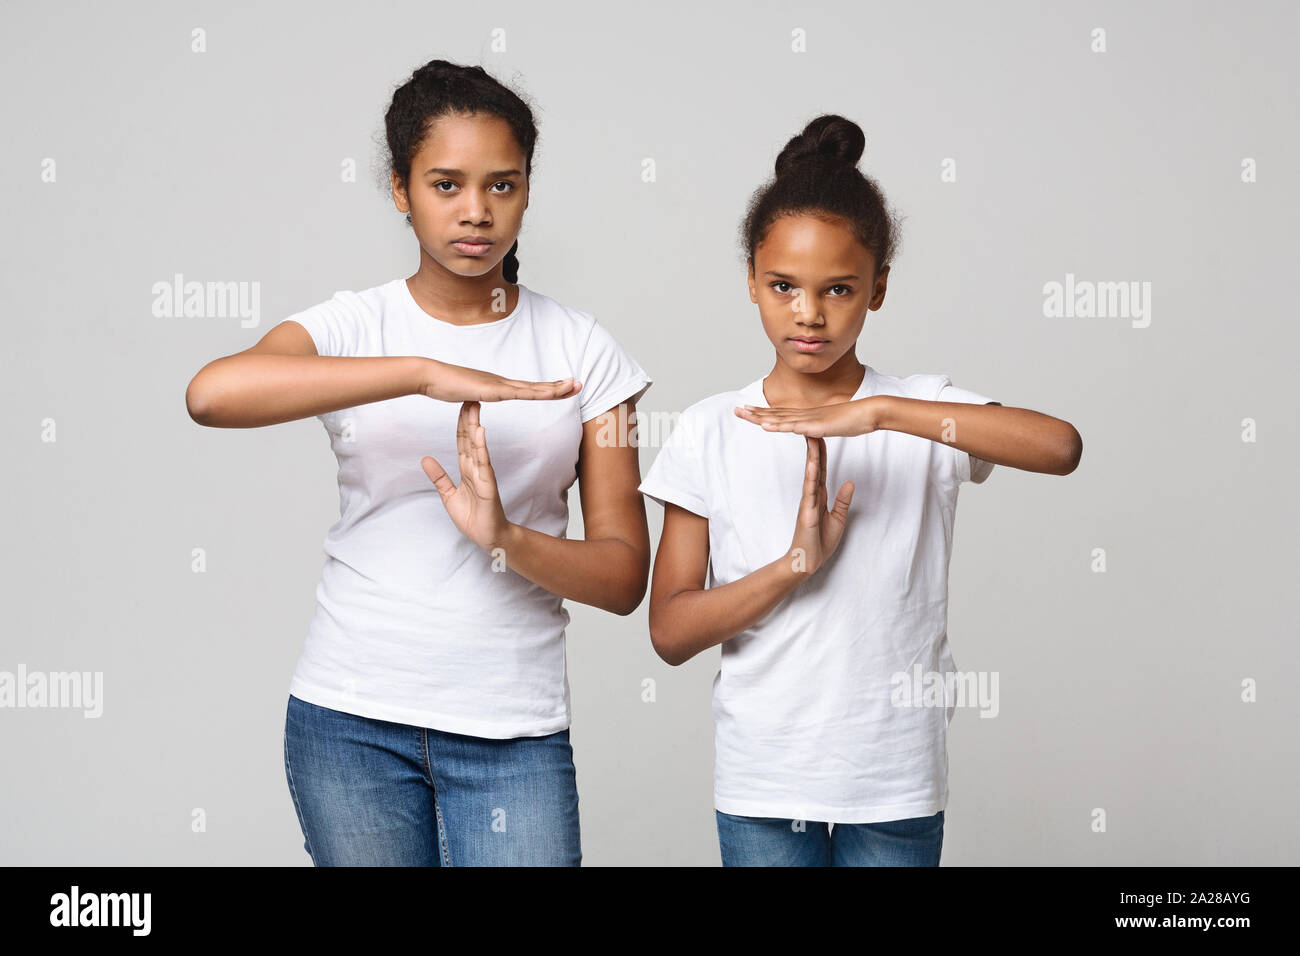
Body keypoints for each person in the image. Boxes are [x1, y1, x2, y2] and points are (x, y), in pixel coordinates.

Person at [185, 59, 653, 866]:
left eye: (501, 185)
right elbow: (212, 394)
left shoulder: (584, 352)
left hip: (513, 729)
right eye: (445, 184)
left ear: (528, 190)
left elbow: (621, 577)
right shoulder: (351, 324)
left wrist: (506, 536)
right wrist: (422, 371)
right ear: (400, 189)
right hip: (350, 722)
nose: (476, 212)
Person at [637, 114, 1082, 866]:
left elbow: (1059, 446)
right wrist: (791, 568)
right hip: (765, 783)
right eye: (784, 286)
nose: (809, 314)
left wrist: (877, 412)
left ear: (877, 289)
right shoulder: (711, 428)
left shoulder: (924, 412)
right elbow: (671, 632)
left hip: (894, 781)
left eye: (838, 289)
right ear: (752, 280)